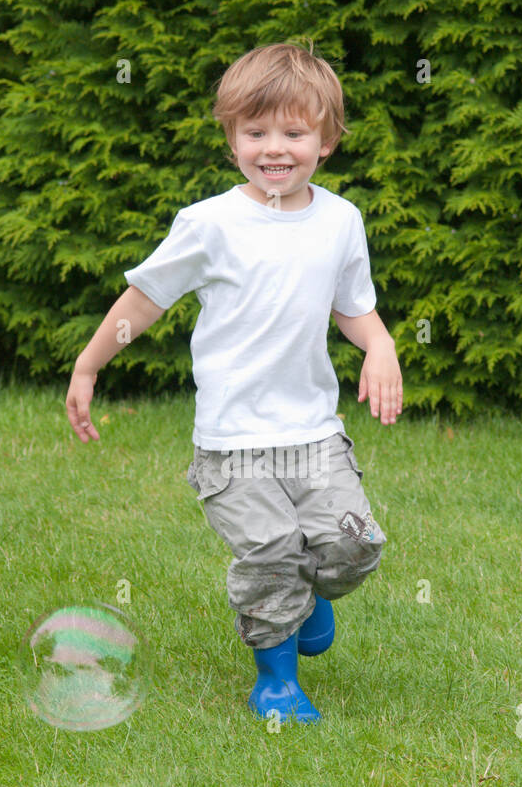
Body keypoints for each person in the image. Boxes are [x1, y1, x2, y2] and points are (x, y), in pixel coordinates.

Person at [66, 42, 402, 724]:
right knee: (272, 552)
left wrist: (381, 347)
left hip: (313, 434)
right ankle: (275, 681)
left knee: (352, 545)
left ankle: (311, 600)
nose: (273, 149)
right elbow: (145, 299)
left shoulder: (340, 221)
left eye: (293, 132)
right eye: (254, 133)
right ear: (231, 141)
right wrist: (88, 363)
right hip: (232, 442)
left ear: (327, 140)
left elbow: (352, 305)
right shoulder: (210, 224)